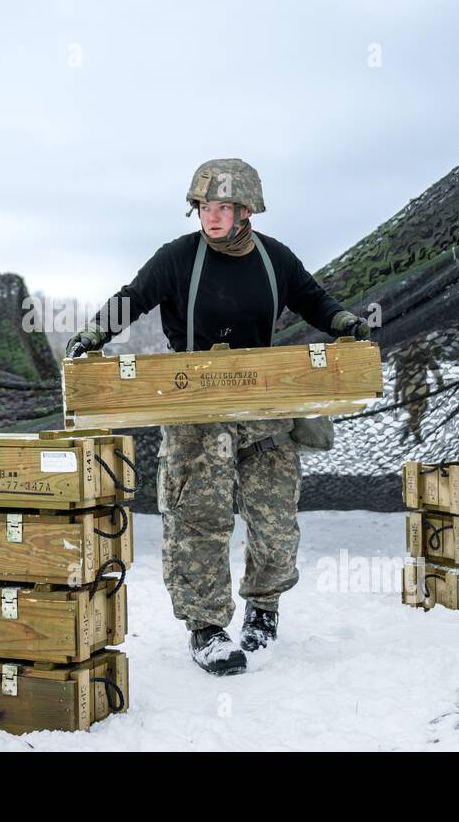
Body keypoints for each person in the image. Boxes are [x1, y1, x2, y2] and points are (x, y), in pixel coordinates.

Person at [65, 159, 369, 676]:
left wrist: (343, 322)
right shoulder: (177, 258)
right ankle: (206, 628)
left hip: (265, 412)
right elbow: (132, 299)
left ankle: (264, 609)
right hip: (196, 412)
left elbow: (313, 299)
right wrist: (95, 333)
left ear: (247, 209)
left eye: (223, 207)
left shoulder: (276, 259)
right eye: (205, 207)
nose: (212, 216)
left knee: (275, 524)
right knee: (198, 521)